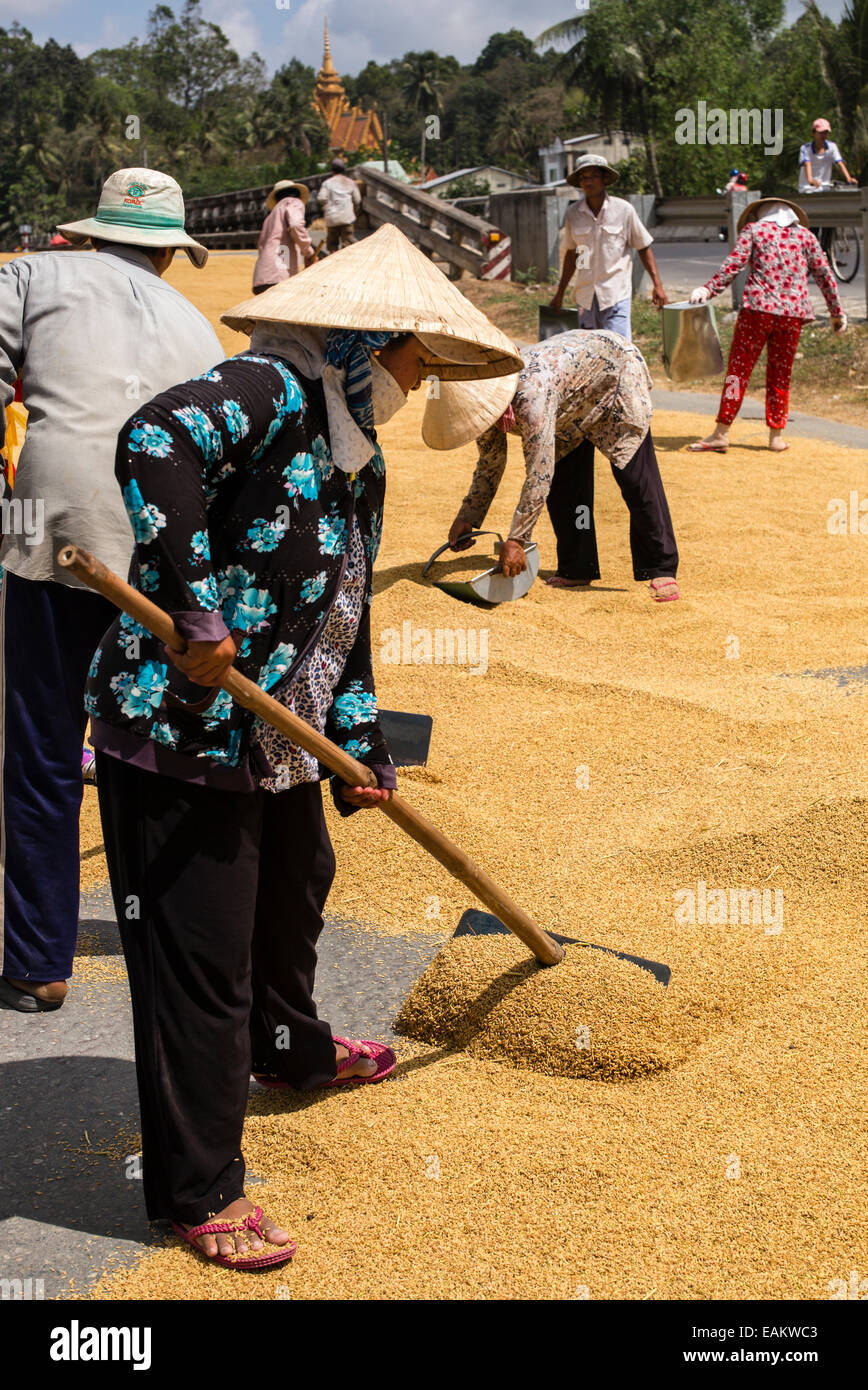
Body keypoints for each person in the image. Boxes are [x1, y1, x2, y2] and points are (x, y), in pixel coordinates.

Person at [84, 224, 522, 1267]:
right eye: (417, 360)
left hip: (280, 727)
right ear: (365, 344)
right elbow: (154, 442)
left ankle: (291, 1049)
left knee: (295, 888)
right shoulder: (267, 389)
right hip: (180, 724)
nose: (420, 382)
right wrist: (193, 610)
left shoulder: (352, 452)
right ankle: (198, 1186)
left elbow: (344, 604)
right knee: (204, 958)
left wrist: (360, 736)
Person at [0, 167, 222, 1015]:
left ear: (90, 234)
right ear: (169, 252)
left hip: (50, 532)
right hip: (166, 549)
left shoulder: (31, 273)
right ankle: (170, 945)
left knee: (45, 751)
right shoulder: (197, 324)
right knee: (149, 752)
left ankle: (37, 960)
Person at [429, 329, 679, 601]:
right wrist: (468, 517)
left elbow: (539, 473)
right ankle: (579, 565)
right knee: (568, 485)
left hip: (614, 373)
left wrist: (517, 540)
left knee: (635, 477)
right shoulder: (484, 403)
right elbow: (490, 462)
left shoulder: (531, 397)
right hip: (570, 397)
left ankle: (661, 565)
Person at [687, 198, 846, 454]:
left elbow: (733, 265)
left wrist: (709, 289)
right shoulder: (806, 236)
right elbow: (825, 276)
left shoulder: (754, 230)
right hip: (792, 315)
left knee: (738, 372)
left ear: (761, 215)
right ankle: (776, 437)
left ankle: (721, 432)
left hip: (757, 312)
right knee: (780, 375)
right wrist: (836, 314)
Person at [549, 155, 667, 342]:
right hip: (585, 296)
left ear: (604, 178)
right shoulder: (573, 214)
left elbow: (643, 247)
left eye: (593, 176)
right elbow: (573, 255)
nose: (588, 181)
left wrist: (657, 285)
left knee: (617, 351)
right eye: (583, 177)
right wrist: (560, 292)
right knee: (588, 353)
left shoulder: (624, 210)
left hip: (615, 294)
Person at [252, 180, 316, 293]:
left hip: (262, 275)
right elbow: (296, 225)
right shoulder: (293, 202)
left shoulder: (270, 217)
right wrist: (309, 252)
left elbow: (261, 246)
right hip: (279, 274)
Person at [799, 119, 858, 191]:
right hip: (807, 189)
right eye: (821, 132)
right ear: (813, 133)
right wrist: (811, 180)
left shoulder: (832, 147)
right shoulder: (805, 148)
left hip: (824, 189)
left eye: (826, 132)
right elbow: (807, 164)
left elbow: (839, 163)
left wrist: (848, 178)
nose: (824, 135)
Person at [318, 158, 362, 254]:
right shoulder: (351, 182)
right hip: (347, 218)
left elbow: (321, 198)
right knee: (348, 242)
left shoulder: (327, 183)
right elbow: (357, 200)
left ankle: (334, 260)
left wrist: (327, 205)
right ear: (344, 169)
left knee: (332, 244)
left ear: (332, 170)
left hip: (332, 218)